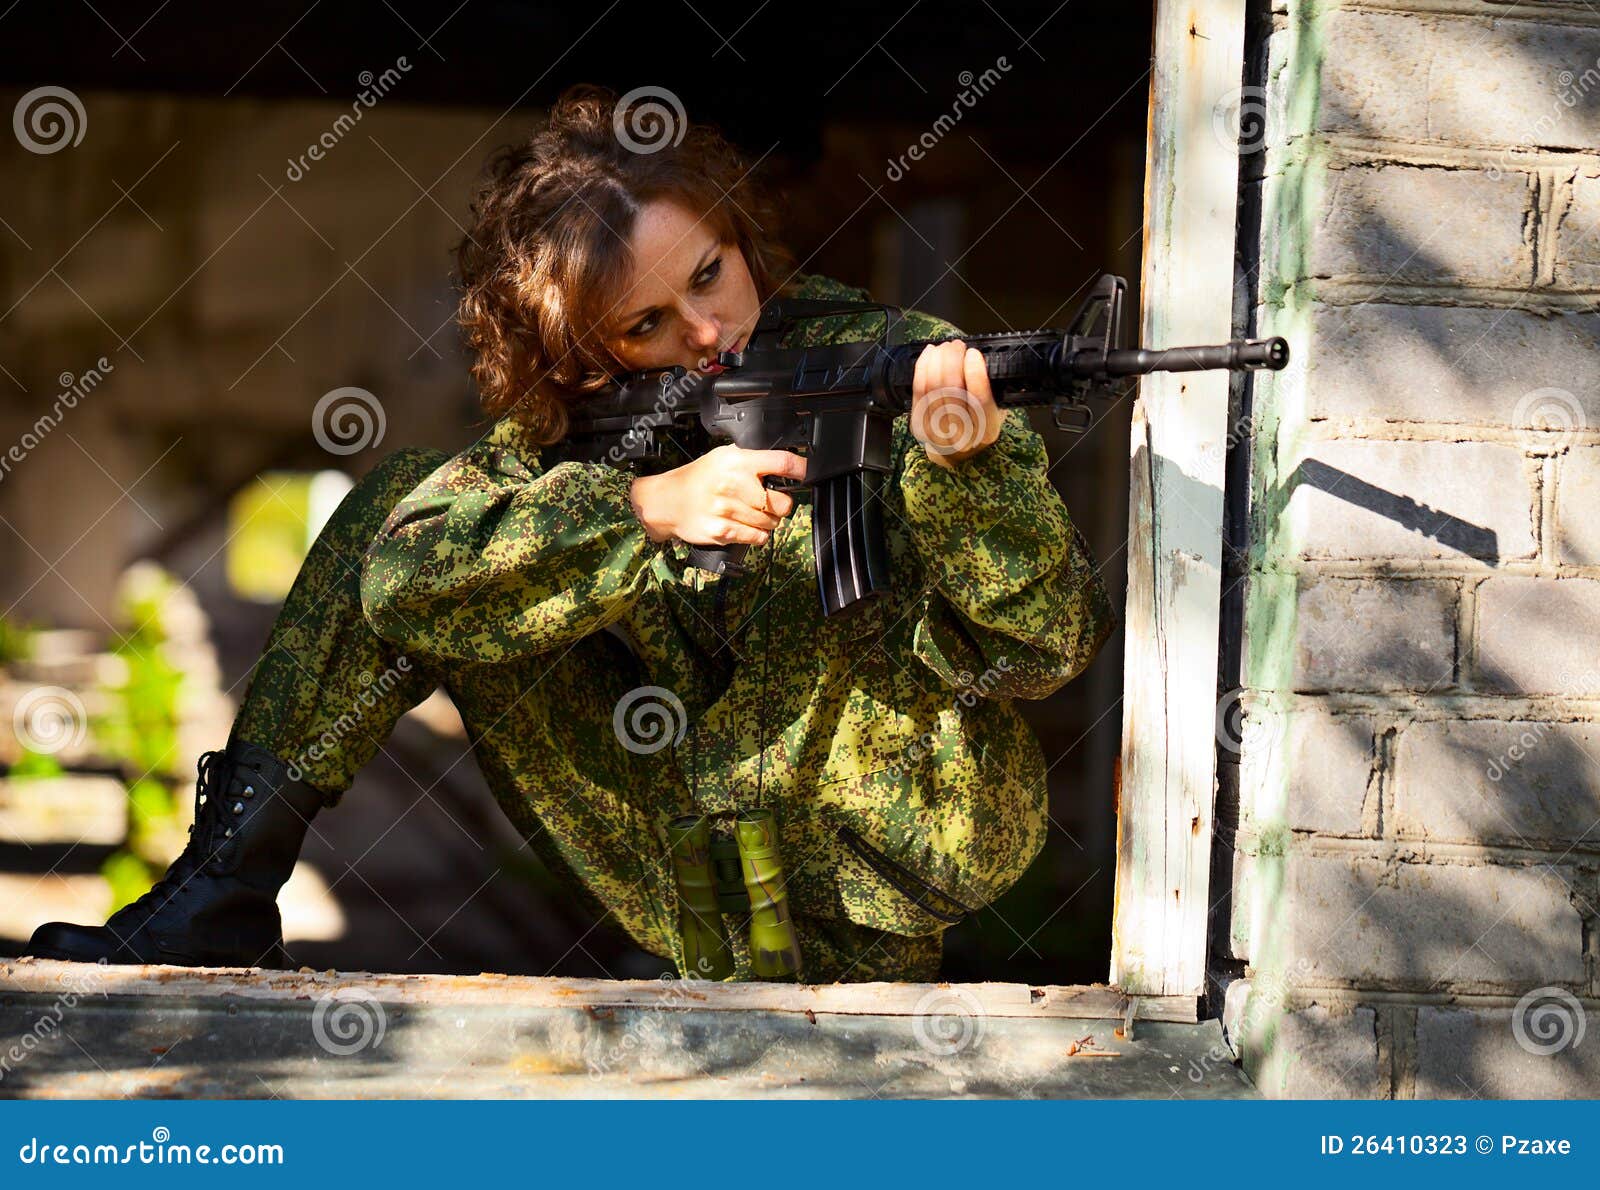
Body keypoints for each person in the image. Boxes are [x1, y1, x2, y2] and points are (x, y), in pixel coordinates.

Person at [27, 84, 1114, 983]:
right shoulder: (582, 433)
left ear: (739, 236)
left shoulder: (897, 358)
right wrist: (642, 511)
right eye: (646, 325)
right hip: (680, 852)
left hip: (881, 855)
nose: (705, 331)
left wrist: (969, 474)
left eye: (709, 275)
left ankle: (773, 963)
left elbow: (1044, 650)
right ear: (588, 358)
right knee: (408, 510)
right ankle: (224, 885)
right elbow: (402, 581)